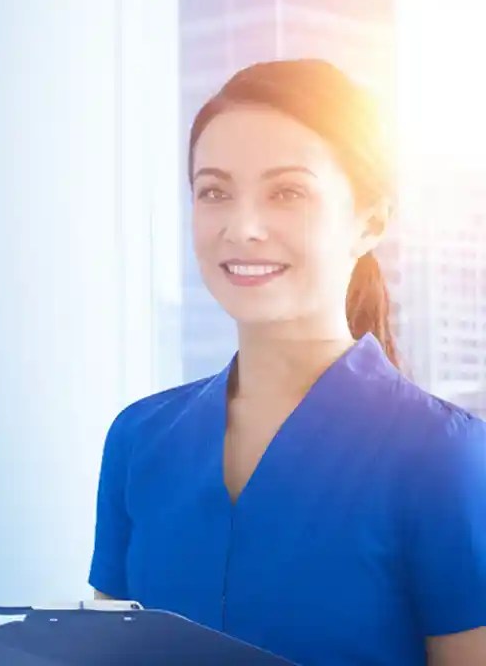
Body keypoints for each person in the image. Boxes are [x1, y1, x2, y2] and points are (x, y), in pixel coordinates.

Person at [89, 59, 486, 666]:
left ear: (370, 222)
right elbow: (99, 651)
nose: (242, 227)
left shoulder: (443, 456)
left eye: (288, 193)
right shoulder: (138, 438)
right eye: (214, 191)